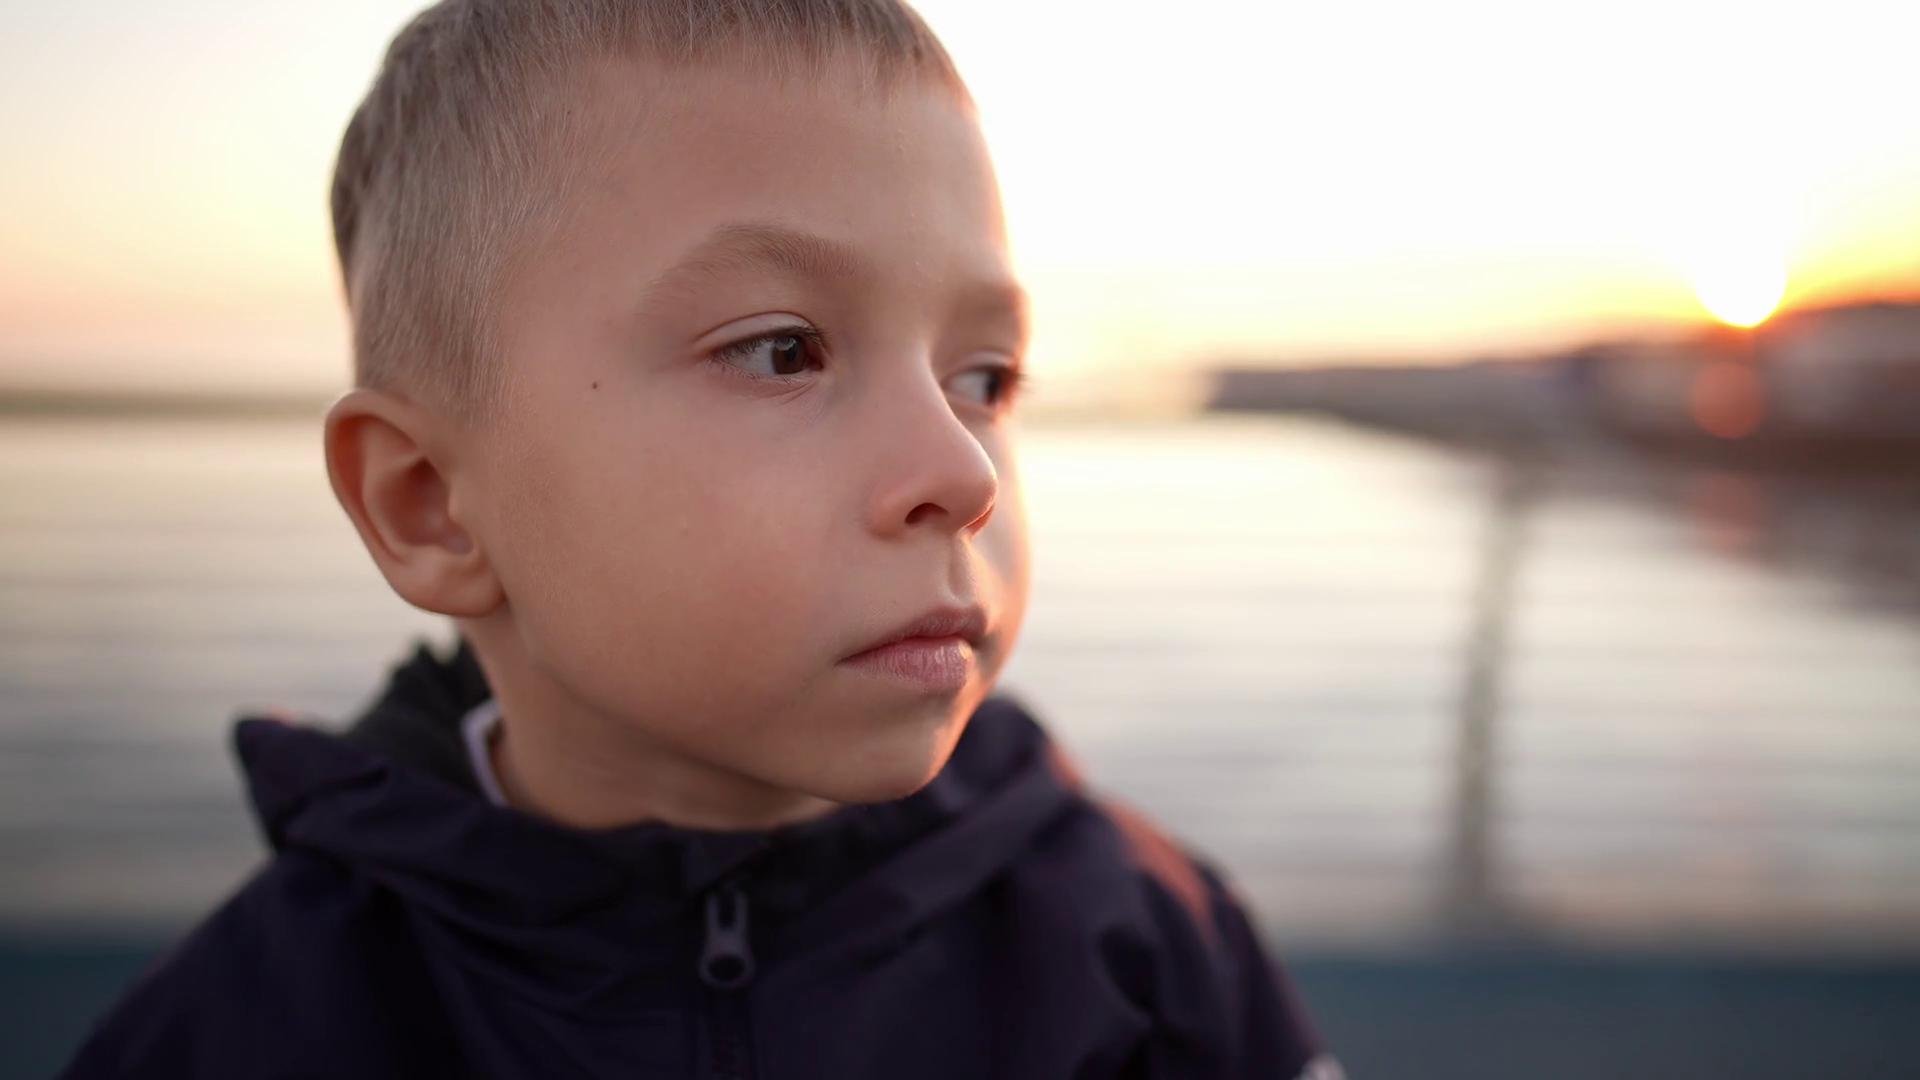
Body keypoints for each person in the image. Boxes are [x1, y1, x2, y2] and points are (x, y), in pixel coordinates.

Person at [63, 1, 1341, 1076]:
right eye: (784, 350)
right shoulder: (256, 1024)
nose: (963, 473)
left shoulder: (1150, 950)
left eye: (986, 376)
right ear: (431, 504)